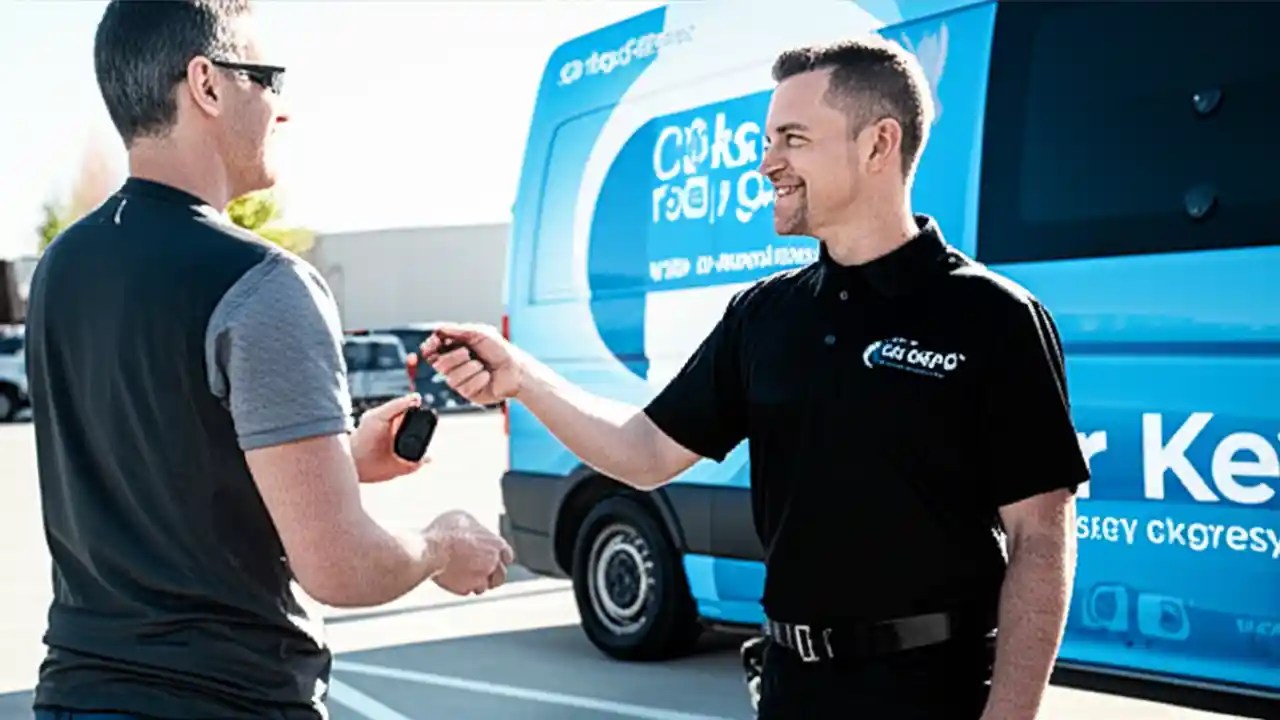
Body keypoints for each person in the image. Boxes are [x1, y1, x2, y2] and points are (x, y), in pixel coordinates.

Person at [423, 35, 1088, 719]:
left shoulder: (993, 317)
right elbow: (645, 452)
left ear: (878, 144)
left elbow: (1041, 537)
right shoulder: (765, 315)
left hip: (933, 694)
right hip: (792, 692)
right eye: (768, 140)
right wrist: (523, 378)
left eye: (793, 139)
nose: (768, 163)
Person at [24, 1, 512, 718]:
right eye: (268, 77)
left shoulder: (61, 269)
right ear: (208, 85)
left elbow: (163, 471)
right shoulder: (265, 284)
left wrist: (338, 459)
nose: (281, 109)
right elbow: (340, 566)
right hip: (227, 699)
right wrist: (442, 545)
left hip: (74, 694)